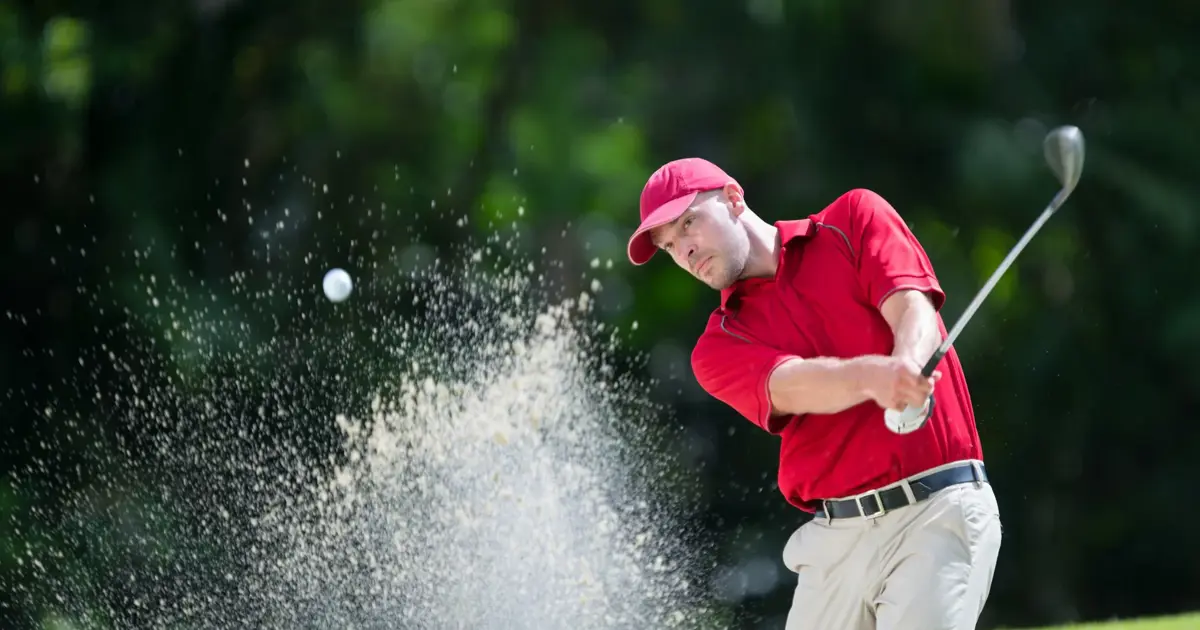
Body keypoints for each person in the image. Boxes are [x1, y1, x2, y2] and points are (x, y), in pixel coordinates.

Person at [626, 157, 1002, 630]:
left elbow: (912, 306)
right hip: (835, 541)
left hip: (936, 515)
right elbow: (793, 384)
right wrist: (873, 376)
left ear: (733, 198)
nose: (685, 251)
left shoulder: (853, 219)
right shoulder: (718, 345)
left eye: (687, 223)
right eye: (669, 245)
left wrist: (907, 364)